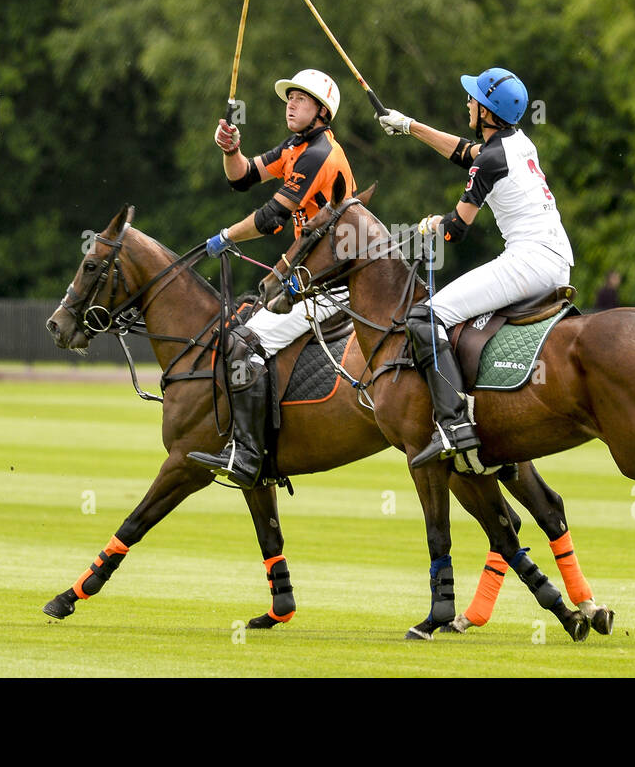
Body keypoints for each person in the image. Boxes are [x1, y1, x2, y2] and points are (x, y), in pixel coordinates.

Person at [379, 67, 574, 469]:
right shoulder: (517, 143)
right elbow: (466, 152)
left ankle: (453, 424)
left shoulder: (490, 159)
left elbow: (455, 230)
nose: (467, 102)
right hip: (557, 259)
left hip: (529, 262)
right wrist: (410, 126)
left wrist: (434, 224)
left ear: (487, 111)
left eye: (473, 98)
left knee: (425, 316)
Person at [187, 69, 356, 488]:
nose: (291, 105)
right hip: (310, 278)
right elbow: (243, 178)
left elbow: (270, 217)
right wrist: (232, 149)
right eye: (289, 98)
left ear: (321, 111)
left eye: (301, 99)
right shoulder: (296, 147)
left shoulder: (319, 153)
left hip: (333, 283)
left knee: (242, 343)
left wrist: (226, 236)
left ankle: (247, 455)